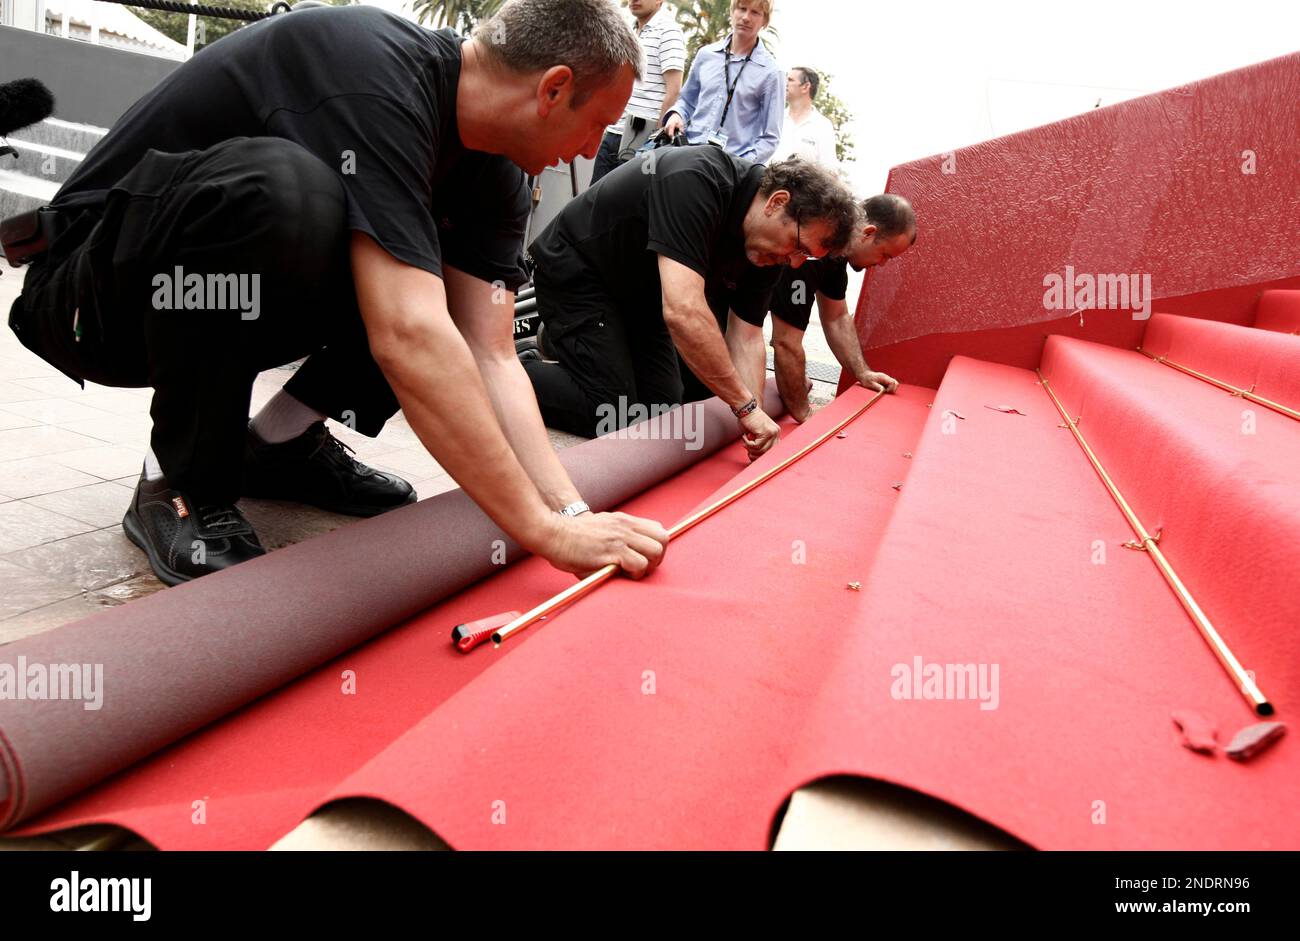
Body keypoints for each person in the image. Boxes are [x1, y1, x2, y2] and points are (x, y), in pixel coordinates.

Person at [5, 1, 673, 587]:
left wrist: (568, 511)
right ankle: (179, 480)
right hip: (87, 299)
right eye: (598, 125)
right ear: (553, 90)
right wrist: (538, 530)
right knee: (290, 194)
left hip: (207, 302)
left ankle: (276, 446)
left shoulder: (496, 173)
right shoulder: (374, 72)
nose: (591, 150)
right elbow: (406, 335)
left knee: (411, 270)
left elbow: (490, 351)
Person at [521, 147, 858, 460]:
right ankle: (505, 369)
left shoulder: (769, 250)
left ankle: (563, 344)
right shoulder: (698, 179)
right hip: (580, 272)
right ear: (776, 202)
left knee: (659, 415)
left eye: (808, 257)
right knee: (610, 413)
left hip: (641, 298)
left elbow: (746, 337)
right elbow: (683, 311)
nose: (797, 263)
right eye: (800, 246)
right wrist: (744, 408)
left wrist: (754, 419)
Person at [767, 194, 917, 422]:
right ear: (868, 233)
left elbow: (836, 318)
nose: (881, 264)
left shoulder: (837, 255)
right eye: (885, 254)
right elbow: (786, 342)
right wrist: (804, 414)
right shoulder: (811, 250)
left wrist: (862, 372)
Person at [661, 0, 783, 165]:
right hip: (687, 153)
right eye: (742, 9)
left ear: (765, 21)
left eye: (755, 13)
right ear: (732, 12)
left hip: (727, 166)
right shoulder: (705, 55)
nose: (746, 17)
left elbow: (771, 137)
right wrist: (676, 114)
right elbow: (686, 101)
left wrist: (740, 165)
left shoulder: (772, 72)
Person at [589, 0, 686, 185]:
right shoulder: (628, 29)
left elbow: (674, 92)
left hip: (643, 141)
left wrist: (653, 141)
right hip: (613, 133)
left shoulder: (668, 30)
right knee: (593, 203)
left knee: (626, 208)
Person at [771, 67, 837, 166]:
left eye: (790, 80)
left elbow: (830, 169)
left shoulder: (823, 126)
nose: (784, 83)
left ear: (805, 87)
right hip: (768, 180)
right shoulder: (774, 118)